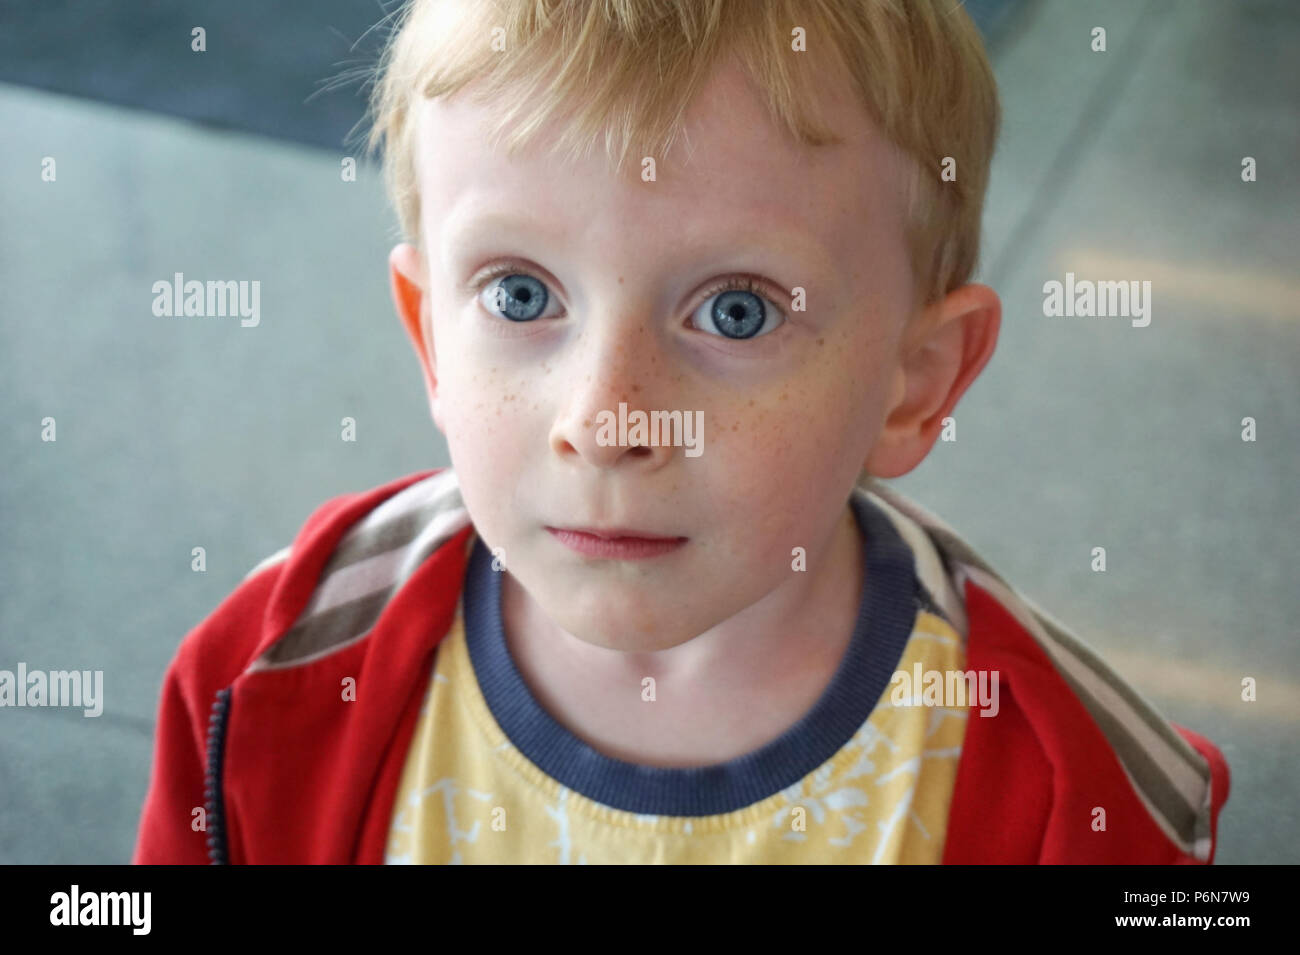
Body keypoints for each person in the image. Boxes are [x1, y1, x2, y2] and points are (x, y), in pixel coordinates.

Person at [133, 0, 1228, 864]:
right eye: (520, 296)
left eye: (735, 311)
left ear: (912, 381)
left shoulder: (1066, 778)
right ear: (429, 335)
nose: (606, 422)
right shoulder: (273, 668)